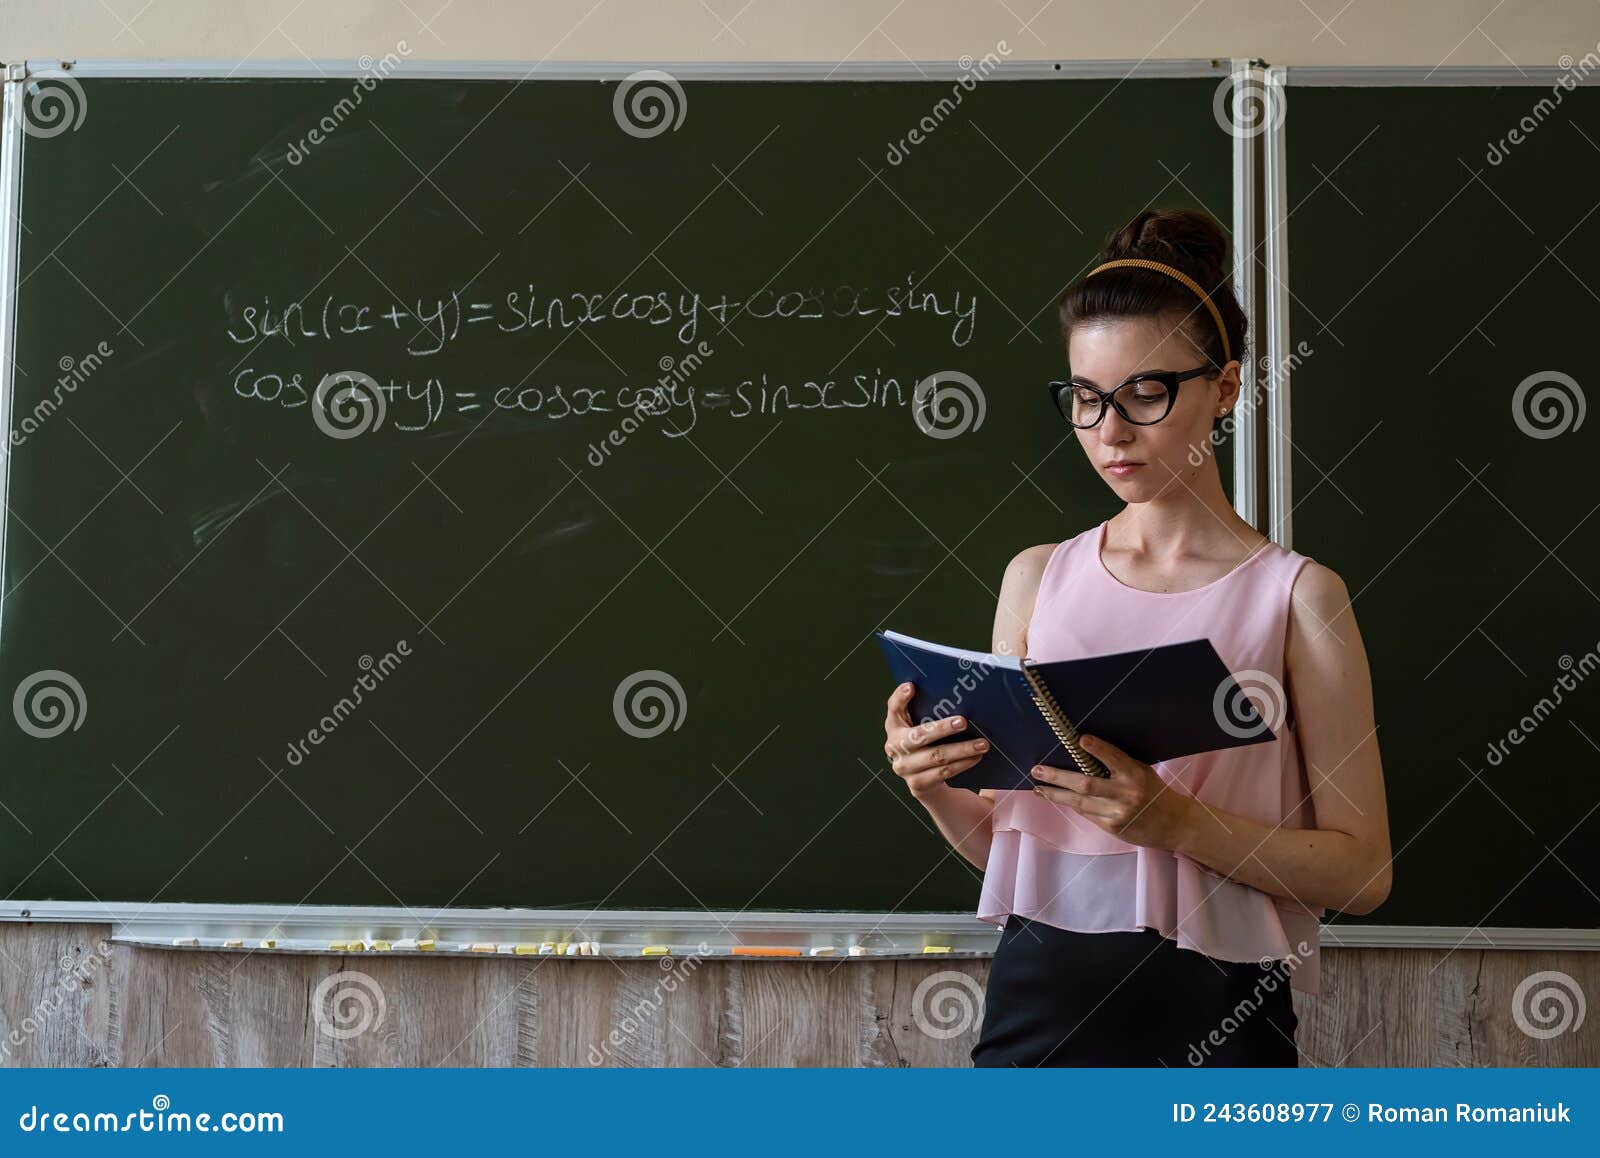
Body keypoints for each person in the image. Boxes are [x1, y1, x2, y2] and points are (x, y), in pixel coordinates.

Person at [881, 208, 1392, 1067]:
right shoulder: (1036, 580)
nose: (1110, 431)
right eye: (1085, 398)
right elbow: (1008, 850)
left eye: (1145, 393)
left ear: (1225, 388)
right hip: (1033, 1025)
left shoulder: (1299, 599)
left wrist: (1175, 822)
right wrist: (932, 786)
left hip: (1224, 1028)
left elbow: (1363, 874)